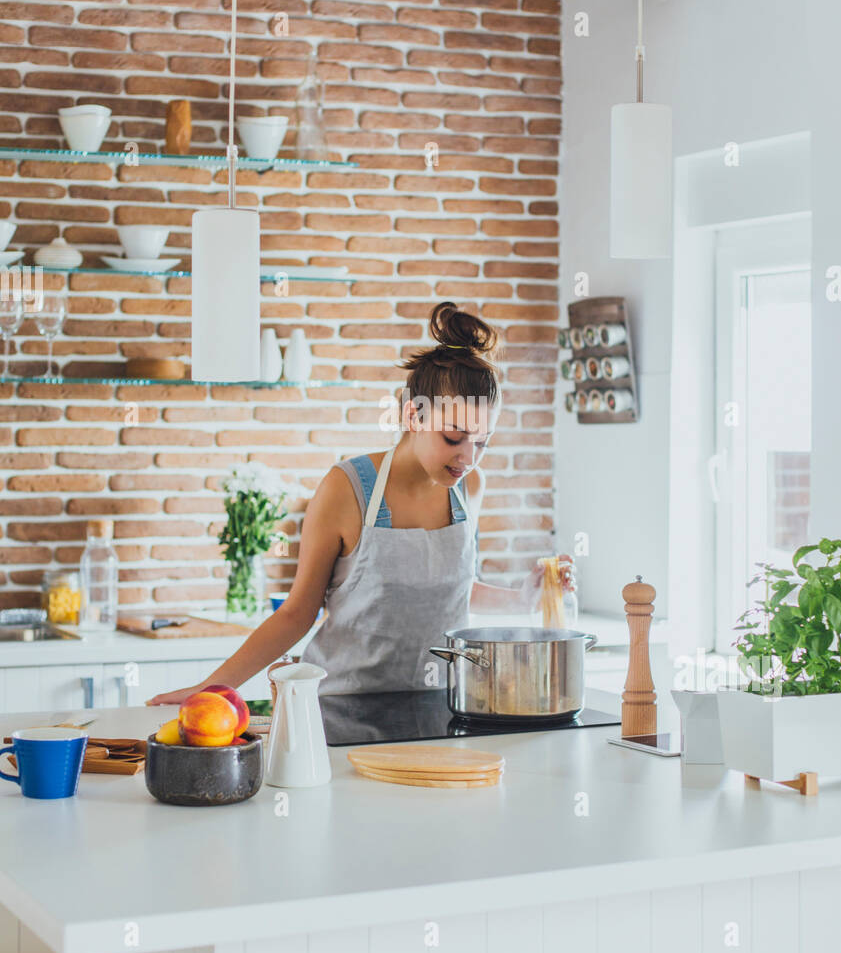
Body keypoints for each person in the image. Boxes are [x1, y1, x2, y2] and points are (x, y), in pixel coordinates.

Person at [150, 301, 574, 704]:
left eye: (482, 441)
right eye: (452, 436)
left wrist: (523, 598)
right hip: (342, 709)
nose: (468, 456)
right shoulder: (347, 488)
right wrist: (211, 687)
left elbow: (450, 590)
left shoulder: (469, 486)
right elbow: (297, 614)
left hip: (439, 705)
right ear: (413, 416)